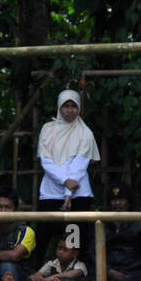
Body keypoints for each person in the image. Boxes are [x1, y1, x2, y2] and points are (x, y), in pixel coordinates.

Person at [36, 89, 99, 264]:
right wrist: (65, 182)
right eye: (66, 106)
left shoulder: (85, 132)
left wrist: (68, 194)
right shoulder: (48, 130)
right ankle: (34, 274)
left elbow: (79, 165)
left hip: (78, 192)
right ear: (59, 107)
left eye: (74, 106)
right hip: (51, 192)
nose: (70, 110)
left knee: (76, 237)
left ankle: (76, 273)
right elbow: (46, 161)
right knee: (43, 235)